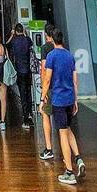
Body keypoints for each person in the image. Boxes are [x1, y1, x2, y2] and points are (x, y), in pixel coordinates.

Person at [41, 29, 85, 184]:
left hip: (59, 99)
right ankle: (78, 158)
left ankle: (69, 171)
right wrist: (75, 100)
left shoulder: (52, 55)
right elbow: (75, 80)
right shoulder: (69, 55)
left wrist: (42, 99)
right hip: (69, 98)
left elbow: (47, 79)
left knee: (62, 134)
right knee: (67, 129)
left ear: (52, 39)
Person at [6, 22, 34, 129]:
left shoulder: (14, 41)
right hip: (28, 70)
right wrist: (26, 34)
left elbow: (6, 45)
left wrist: (12, 35)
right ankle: (30, 113)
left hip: (20, 70)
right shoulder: (27, 40)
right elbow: (30, 43)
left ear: (15, 31)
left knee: (22, 93)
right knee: (28, 91)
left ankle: (26, 117)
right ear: (22, 30)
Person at [37, 22, 58, 161]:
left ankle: (49, 148)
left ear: (46, 35)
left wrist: (42, 93)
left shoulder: (45, 48)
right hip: (61, 86)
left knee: (45, 113)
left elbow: (44, 70)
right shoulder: (60, 48)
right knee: (64, 123)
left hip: (49, 87)